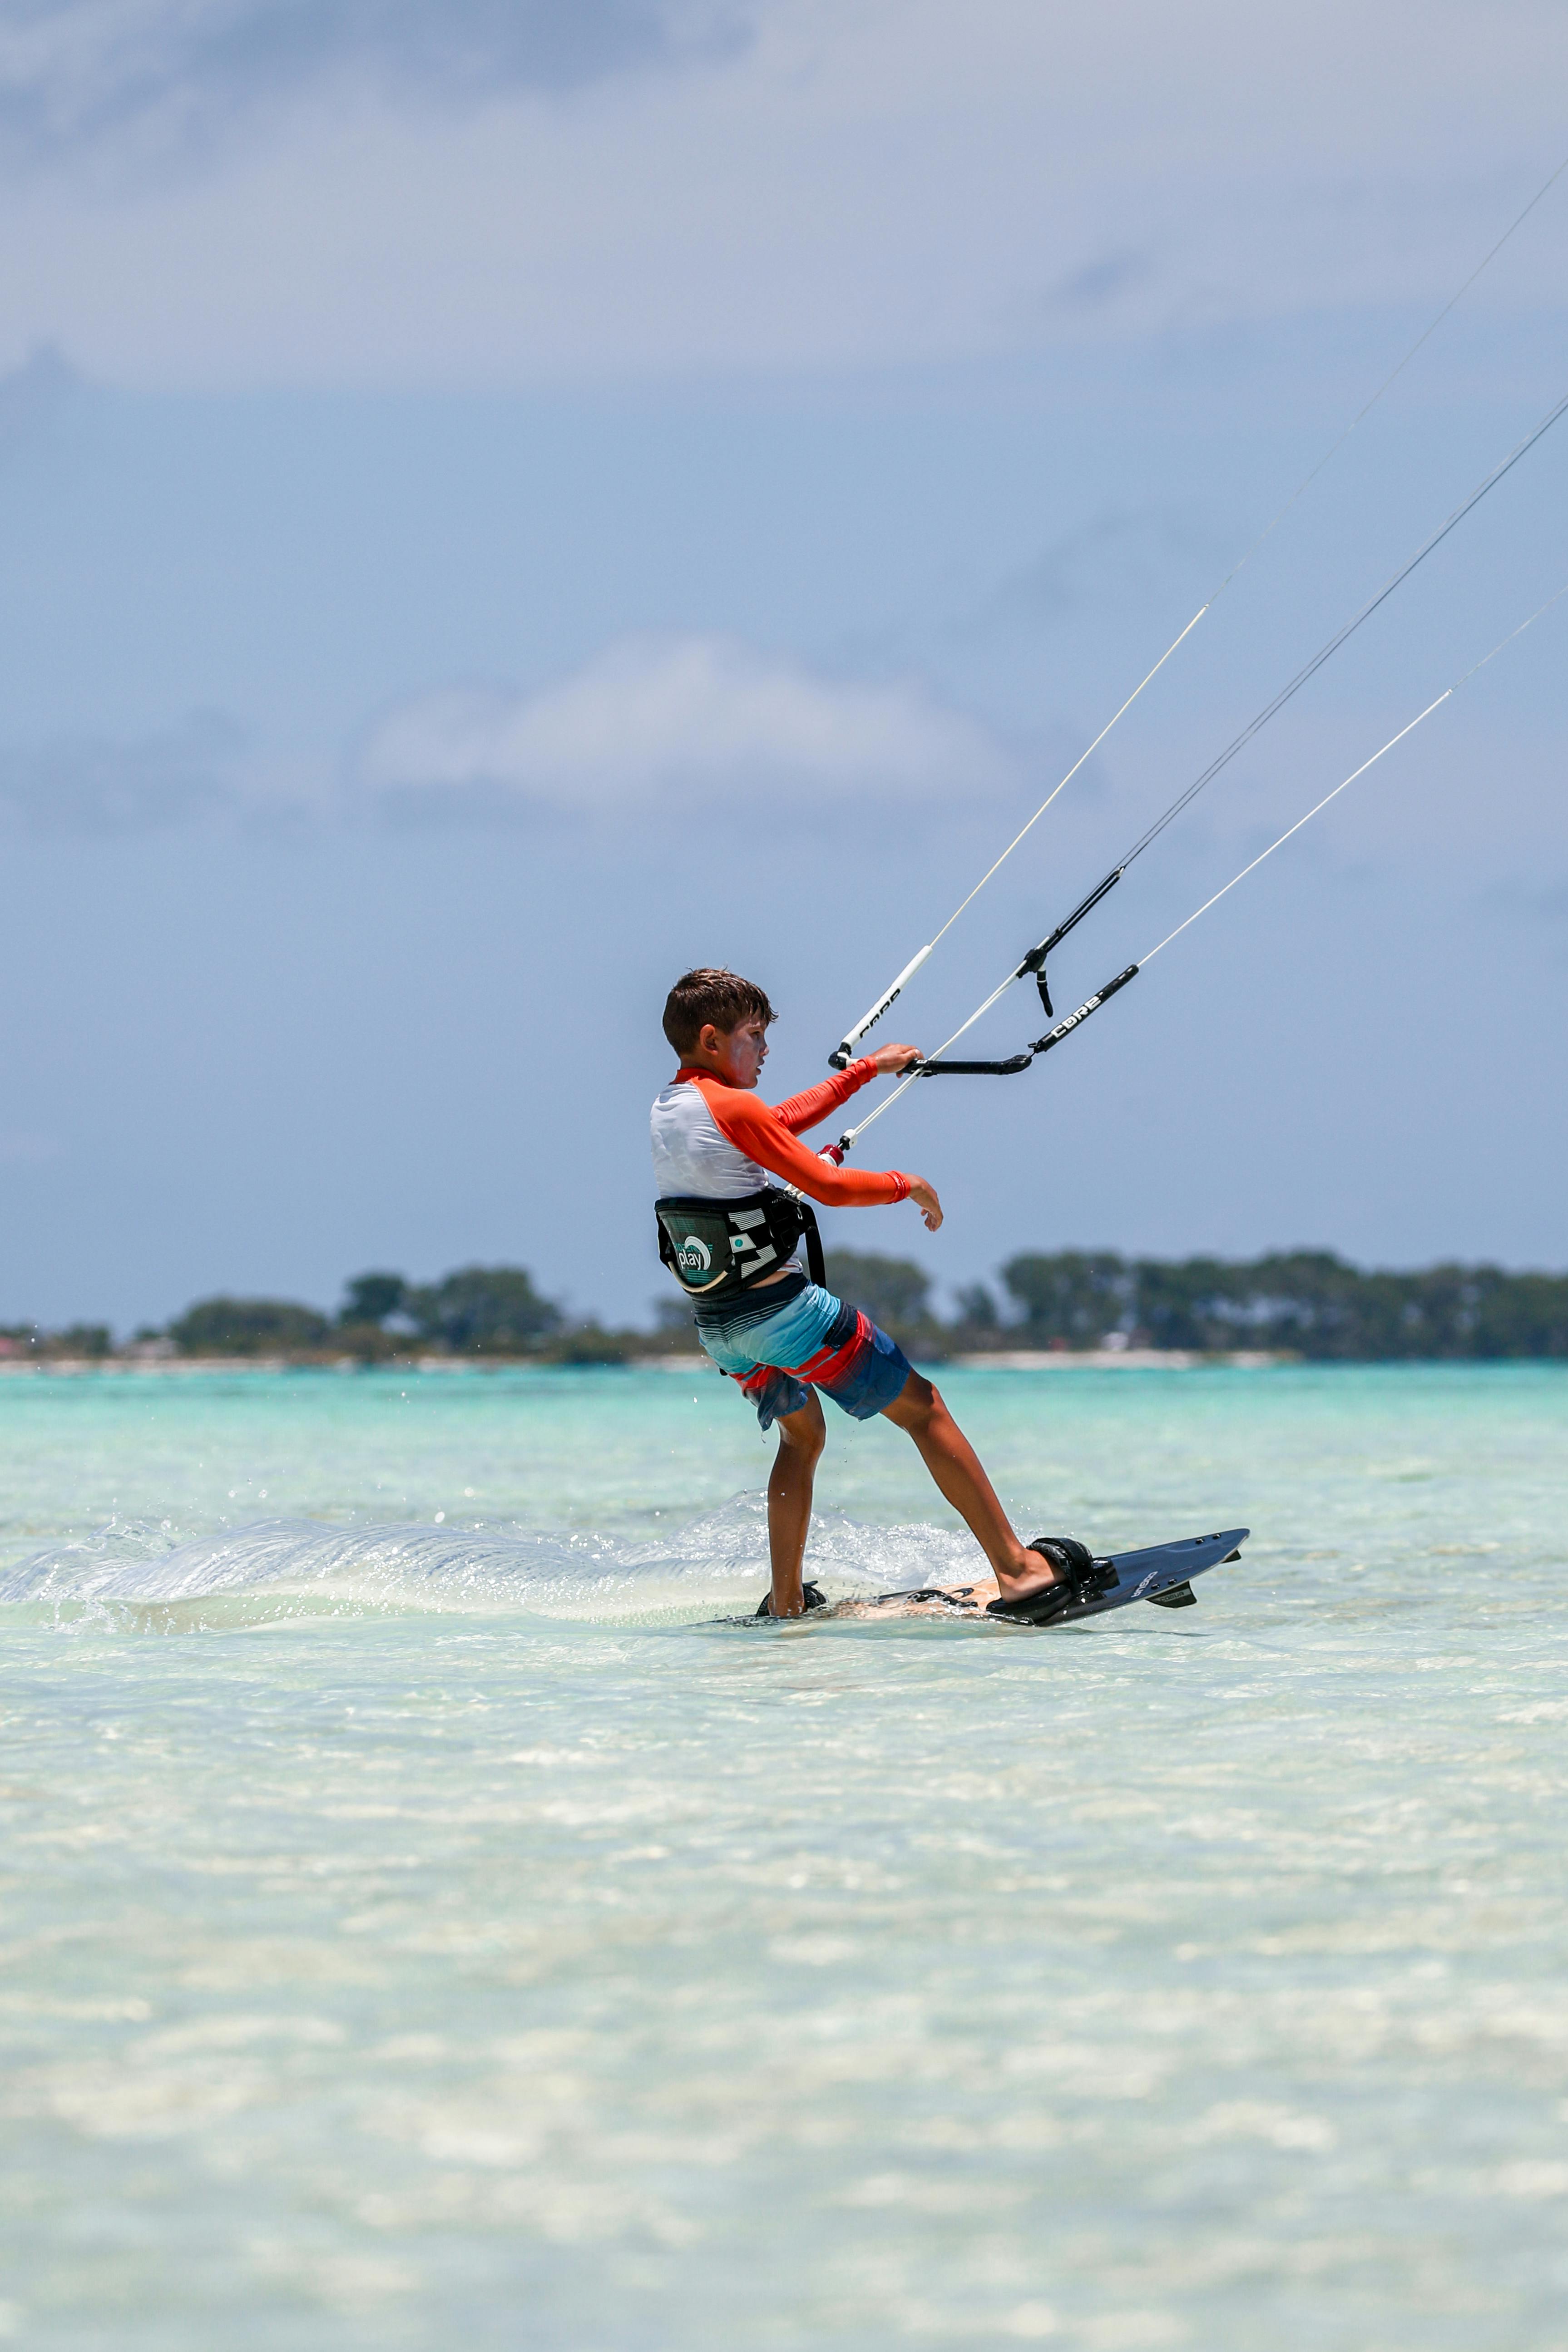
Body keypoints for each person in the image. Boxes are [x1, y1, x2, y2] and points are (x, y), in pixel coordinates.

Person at [650, 967, 1105, 1621]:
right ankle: (1018, 1569)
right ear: (712, 1038)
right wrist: (904, 1182)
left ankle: (784, 1604)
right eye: (755, 1037)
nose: (766, 1050)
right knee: (924, 1409)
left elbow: (776, 1123)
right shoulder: (733, 1108)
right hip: (784, 1318)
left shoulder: (674, 1106)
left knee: (800, 1440)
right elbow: (828, 1187)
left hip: (722, 1330)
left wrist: (864, 1072)